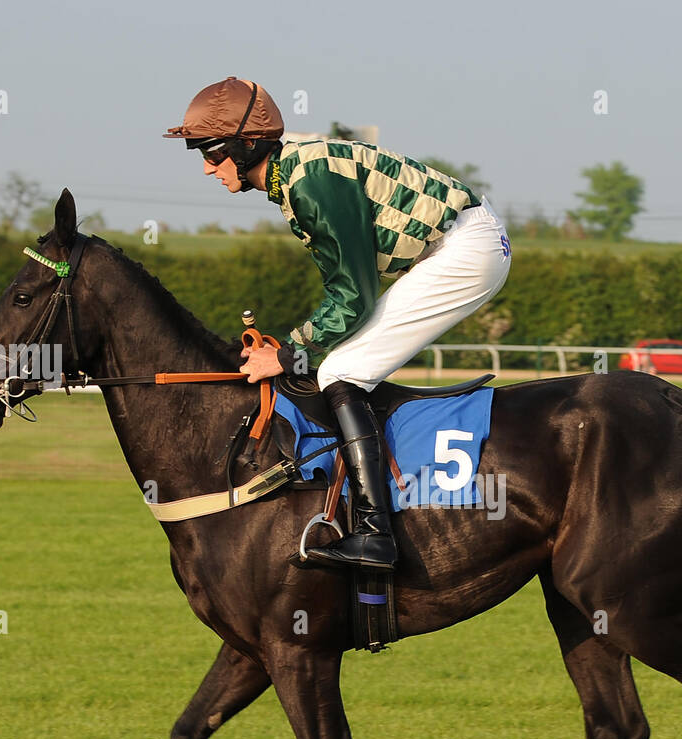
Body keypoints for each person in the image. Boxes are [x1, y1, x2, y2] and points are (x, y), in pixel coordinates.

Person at [165, 77, 512, 572]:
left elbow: (353, 297)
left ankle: (375, 532)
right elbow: (348, 296)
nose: (206, 167)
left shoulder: (309, 181)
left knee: (341, 371)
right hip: (458, 243)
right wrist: (296, 348)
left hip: (464, 251)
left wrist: (285, 354)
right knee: (339, 359)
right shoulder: (294, 172)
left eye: (211, 152)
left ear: (246, 146)